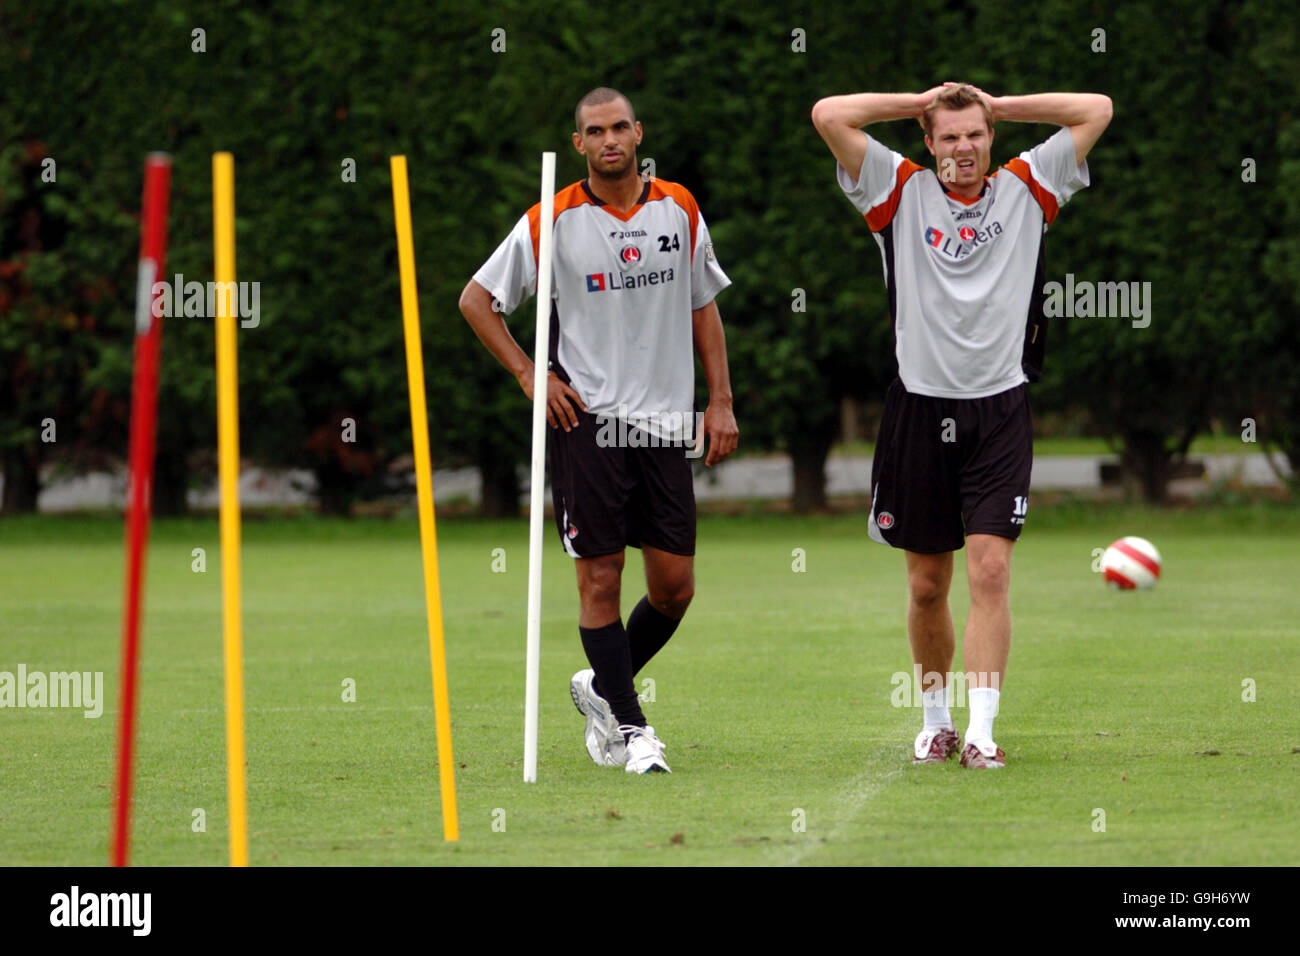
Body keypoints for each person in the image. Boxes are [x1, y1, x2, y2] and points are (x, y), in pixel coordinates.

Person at [811, 83, 1112, 768]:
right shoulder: (897, 189)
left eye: (975, 134)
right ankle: (936, 720)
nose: (964, 148)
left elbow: (1097, 108)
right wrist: (920, 99)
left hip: (1000, 408)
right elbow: (829, 114)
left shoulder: (1030, 186)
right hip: (919, 406)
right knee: (926, 585)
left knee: (992, 571)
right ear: (929, 142)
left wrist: (999, 106)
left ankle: (981, 732)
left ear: (991, 138)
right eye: (948, 136)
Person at [459, 87, 738, 774]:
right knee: (600, 580)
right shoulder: (551, 217)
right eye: (595, 131)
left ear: (638, 133)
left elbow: (703, 307)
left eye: (620, 127)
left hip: (667, 420)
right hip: (587, 419)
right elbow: (476, 300)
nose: (610, 139)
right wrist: (531, 375)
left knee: (675, 587)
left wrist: (721, 400)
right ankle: (635, 731)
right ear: (578, 143)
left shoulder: (680, 206)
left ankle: (601, 686)